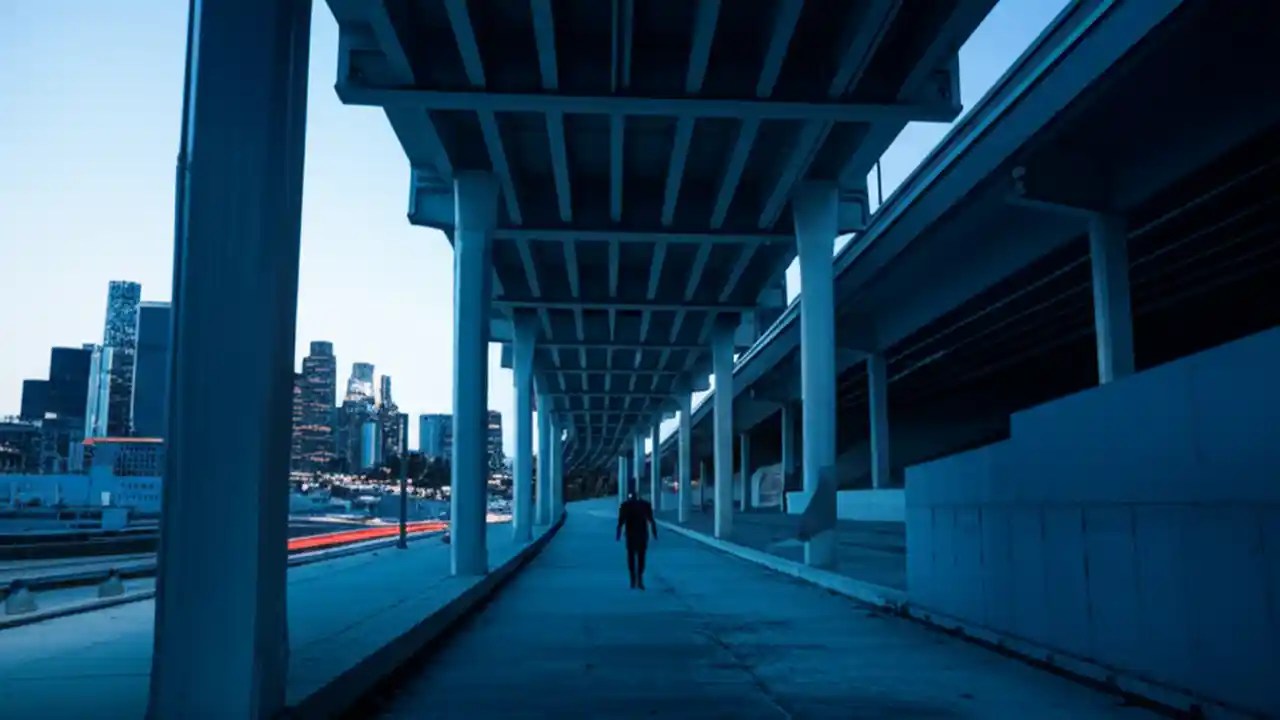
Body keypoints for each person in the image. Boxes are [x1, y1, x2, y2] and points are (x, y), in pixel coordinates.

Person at [616, 490, 657, 589]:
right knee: (641, 556)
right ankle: (639, 578)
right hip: (642, 534)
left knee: (631, 556)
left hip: (631, 535)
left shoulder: (625, 505)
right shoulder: (645, 505)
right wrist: (655, 533)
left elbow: (620, 522)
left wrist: (618, 534)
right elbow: (651, 520)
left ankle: (633, 579)